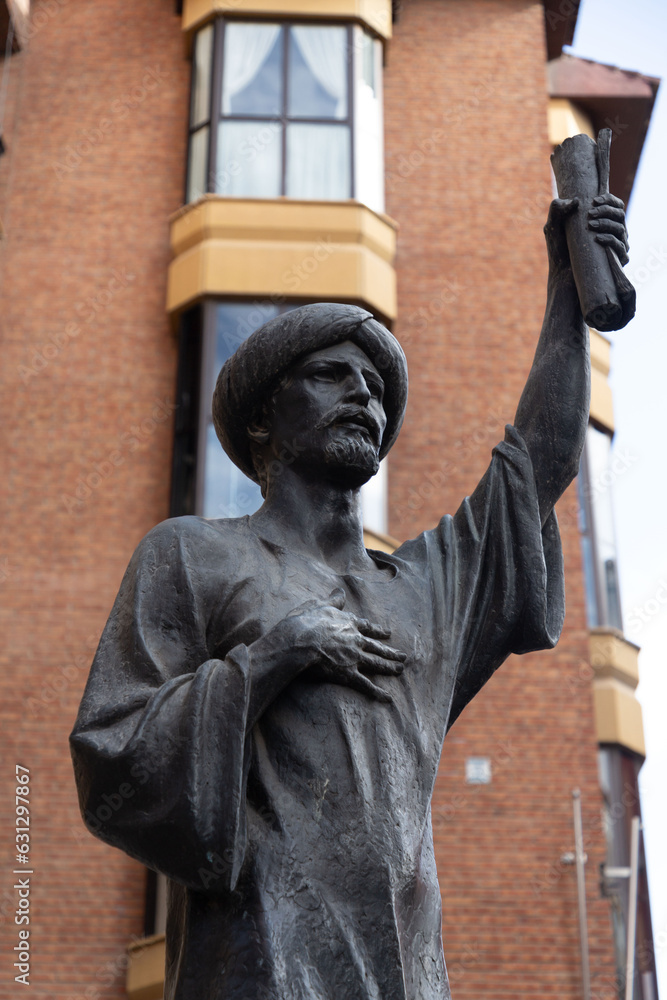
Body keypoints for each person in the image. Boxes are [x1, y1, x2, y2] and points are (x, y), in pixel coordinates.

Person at [70, 195, 629, 1000]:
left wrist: (566, 294)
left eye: (373, 385)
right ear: (264, 420)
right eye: (330, 376)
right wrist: (272, 657)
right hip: (254, 961)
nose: (363, 396)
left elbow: (538, 461)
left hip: (405, 967)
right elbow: (110, 751)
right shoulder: (191, 554)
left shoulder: (423, 588)